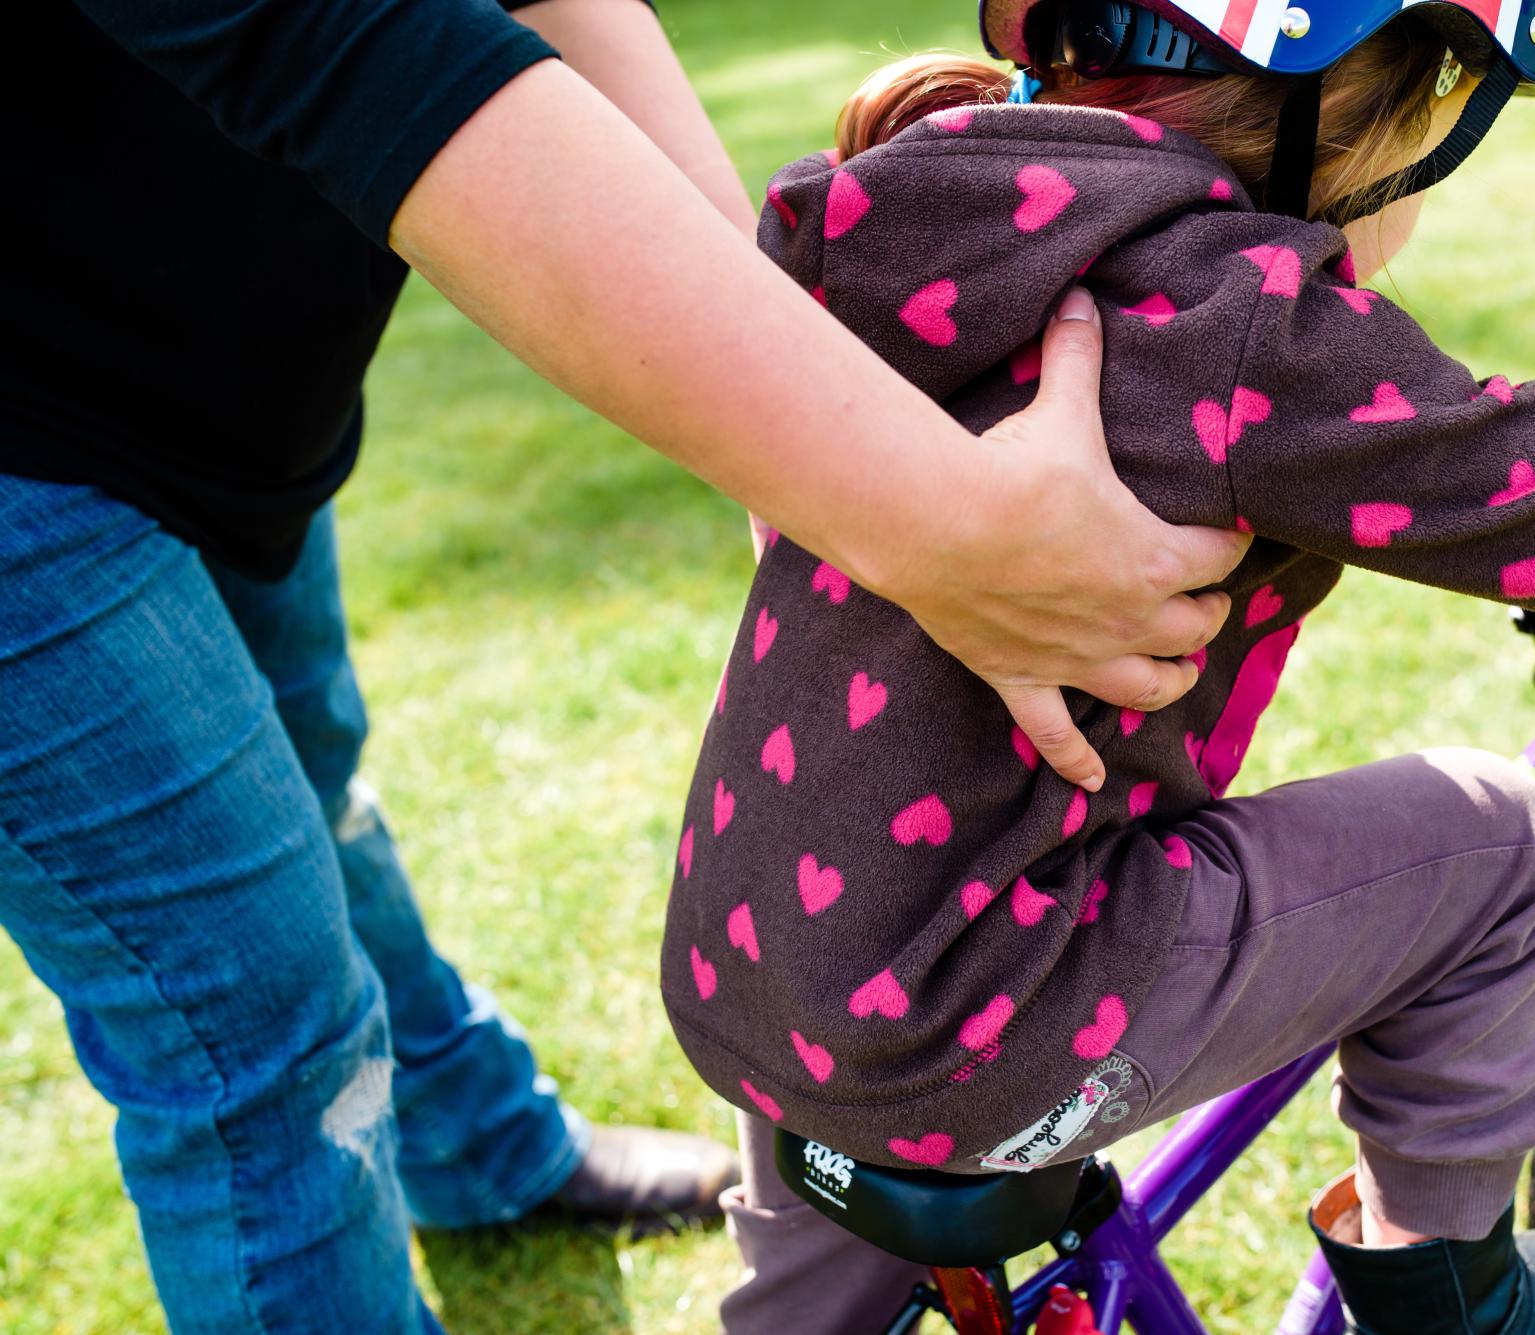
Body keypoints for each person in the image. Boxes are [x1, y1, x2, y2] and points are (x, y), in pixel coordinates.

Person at [657, 2, 1535, 1332]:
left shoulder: (929, 203)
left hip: (760, 965)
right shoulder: (1230, 319)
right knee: (1498, 850)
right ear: (1362, 120)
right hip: (977, 1009)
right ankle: (1465, 1306)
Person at [0, 0, 1250, 1330]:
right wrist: (924, 516)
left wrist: (818, 439)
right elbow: (353, 41)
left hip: (190, 404)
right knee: (251, 1029)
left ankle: (476, 1144)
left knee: (316, 786)